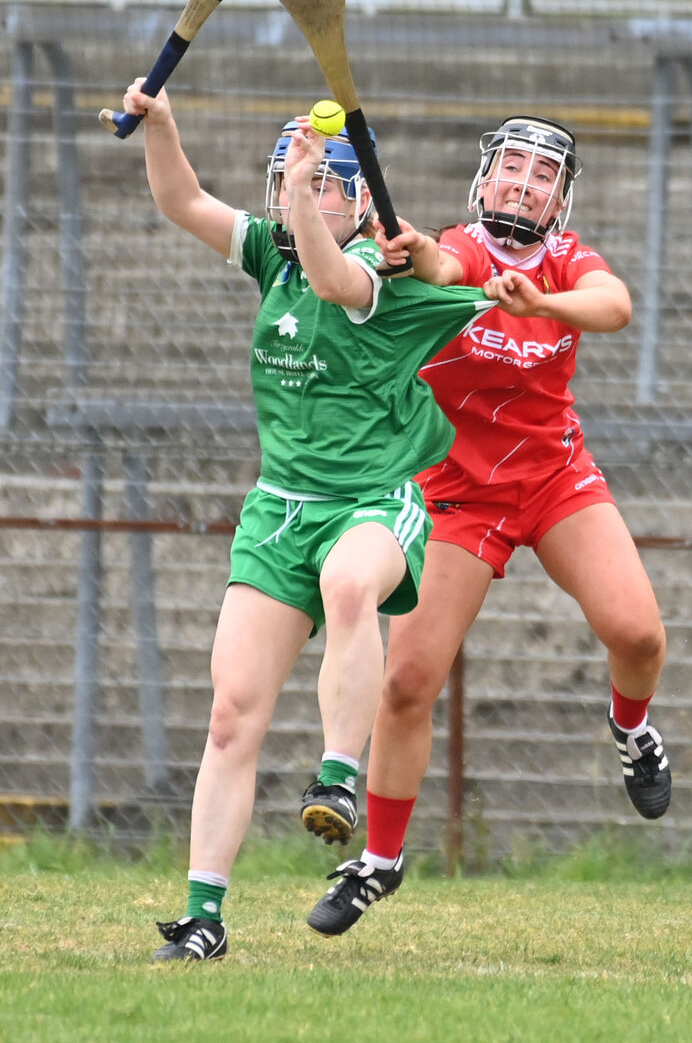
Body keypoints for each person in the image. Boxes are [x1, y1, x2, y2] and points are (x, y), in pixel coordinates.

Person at [120, 78, 505, 961]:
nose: (303, 192)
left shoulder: (372, 273)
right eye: (296, 180)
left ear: (359, 199)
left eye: (325, 183)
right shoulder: (271, 253)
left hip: (373, 502)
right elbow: (180, 198)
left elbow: (334, 282)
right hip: (279, 512)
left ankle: (339, 776)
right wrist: (163, 125)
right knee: (231, 716)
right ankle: (204, 918)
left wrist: (300, 199)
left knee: (347, 583)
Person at [306, 115, 671, 937]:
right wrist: (411, 253)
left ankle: (632, 727)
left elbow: (614, 307)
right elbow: (437, 262)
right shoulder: (462, 248)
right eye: (512, 167)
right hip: (457, 495)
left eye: (542, 175)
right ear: (485, 178)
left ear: (560, 197)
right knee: (407, 683)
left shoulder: (569, 263)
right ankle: (381, 862)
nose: (523, 184)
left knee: (639, 636)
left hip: (553, 477)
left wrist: (542, 300)